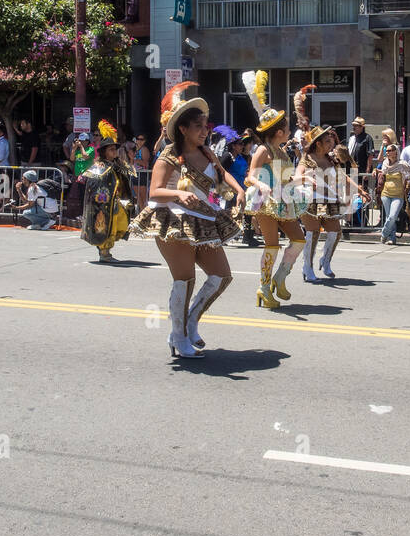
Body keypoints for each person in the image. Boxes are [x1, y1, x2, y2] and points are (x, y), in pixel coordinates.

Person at [130, 81, 244, 358]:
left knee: (221, 277)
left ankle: (190, 322)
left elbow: (220, 173)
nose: (205, 131)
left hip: (204, 219)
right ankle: (178, 338)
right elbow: (155, 191)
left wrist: (239, 189)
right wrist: (178, 196)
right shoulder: (169, 156)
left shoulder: (207, 152)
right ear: (183, 129)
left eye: (206, 126)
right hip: (173, 220)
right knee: (185, 280)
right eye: (199, 127)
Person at [241, 70, 307, 308]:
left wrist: (303, 180)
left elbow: (288, 179)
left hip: (285, 199)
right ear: (279, 131)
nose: (289, 130)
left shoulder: (281, 151)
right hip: (266, 201)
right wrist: (262, 185)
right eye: (287, 127)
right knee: (272, 245)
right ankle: (263, 287)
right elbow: (250, 176)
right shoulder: (263, 151)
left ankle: (279, 278)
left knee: (299, 240)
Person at [297, 124, 368, 280]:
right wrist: (305, 178)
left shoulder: (331, 160)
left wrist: (360, 190)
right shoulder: (307, 159)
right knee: (313, 233)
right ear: (318, 143)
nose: (332, 144)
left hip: (328, 201)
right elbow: (296, 176)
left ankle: (325, 261)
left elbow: (344, 177)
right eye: (328, 142)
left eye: (331, 141)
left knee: (335, 233)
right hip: (310, 202)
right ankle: (307, 267)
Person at [80, 120, 134, 262]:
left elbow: (125, 176)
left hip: (115, 203)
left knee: (119, 225)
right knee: (105, 227)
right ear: (104, 151)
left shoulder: (115, 164)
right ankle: (104, 253)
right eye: (111, 149)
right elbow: (95, 187)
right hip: (104, 205)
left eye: (115, 149)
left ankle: (106, 252)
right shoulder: (99, 167)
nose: (114, 152)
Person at [376, 143, 410, 244]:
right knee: (389, 217)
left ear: (395, 152)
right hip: (386, 193)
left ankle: (384, 234)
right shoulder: (385, 163)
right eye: (386, 151)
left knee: (392, 216)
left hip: (398, 194)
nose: (387, 152)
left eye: (389, 150)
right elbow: (383, 173)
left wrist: (406, 182)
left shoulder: (401, 164)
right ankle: (392, 238)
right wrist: (376, 171)